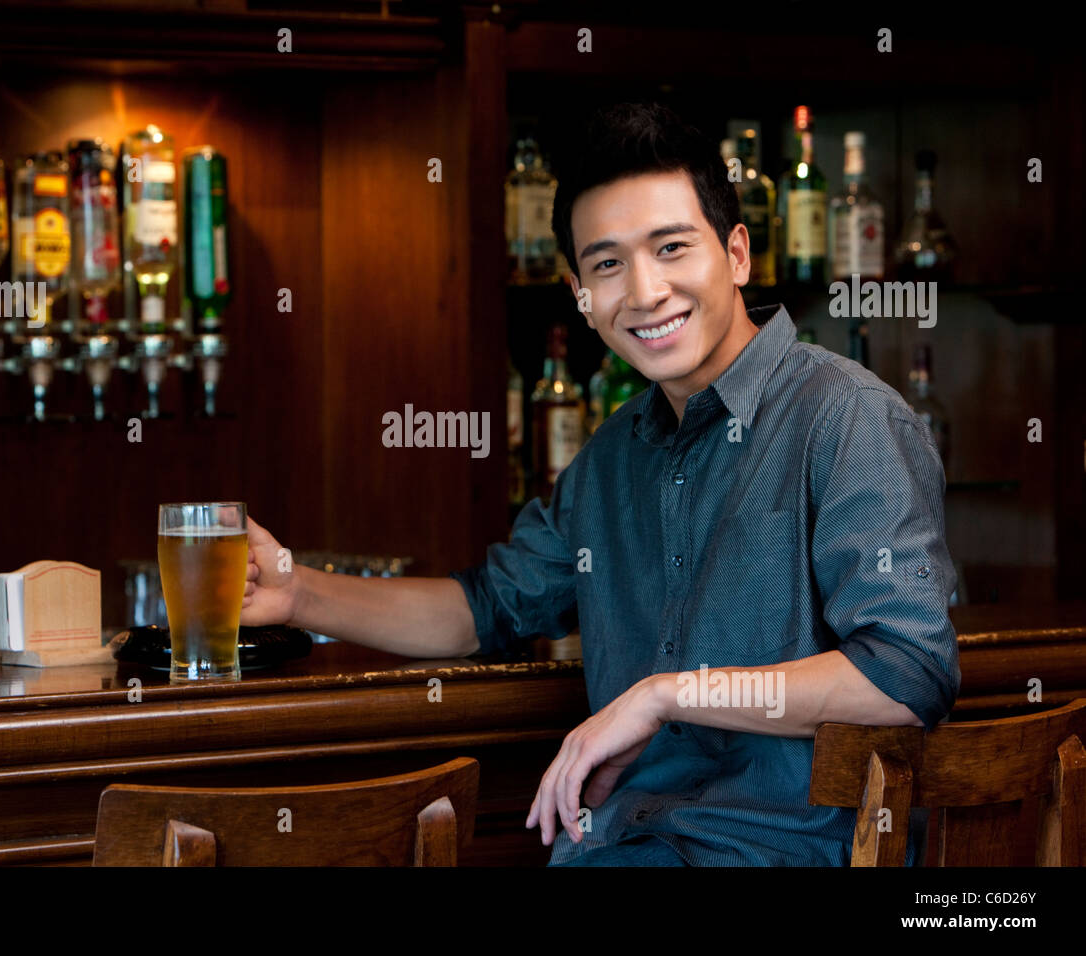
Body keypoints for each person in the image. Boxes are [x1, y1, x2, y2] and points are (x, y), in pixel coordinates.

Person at [240, 102, 960, 866]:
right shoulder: (613, 454)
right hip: (623, 845)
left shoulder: (846, 419)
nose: (644, 292)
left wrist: (665, 694)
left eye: (672, 247)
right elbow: (486, 607)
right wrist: (297, 593)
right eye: (607, 264)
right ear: (580, 293)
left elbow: (906, 676)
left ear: (738, 253)